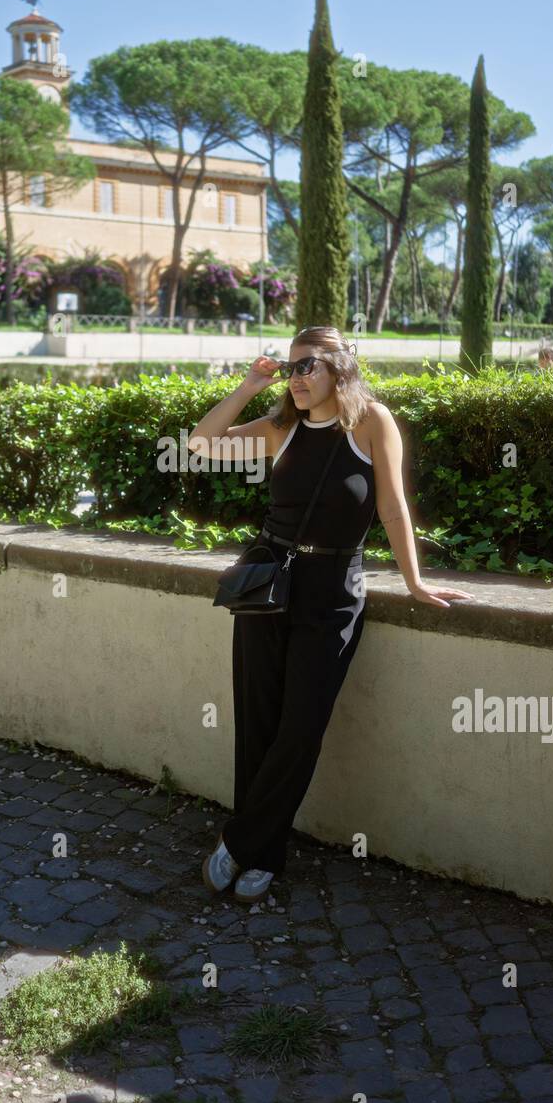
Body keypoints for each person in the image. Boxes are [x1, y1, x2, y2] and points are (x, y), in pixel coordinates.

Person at [189, 325, 474, 905]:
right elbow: (202, 443)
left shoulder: (372, 421)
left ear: (339, 368)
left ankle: (239, 841)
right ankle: (264, 854)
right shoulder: (280, 429)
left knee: (301, 726)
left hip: (333, 592)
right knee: (258, 720)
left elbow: (392, 506)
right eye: (290, 367)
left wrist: (415, 581)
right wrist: (248, 385)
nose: (295, 377)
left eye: (307, 366)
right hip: (269, 584)